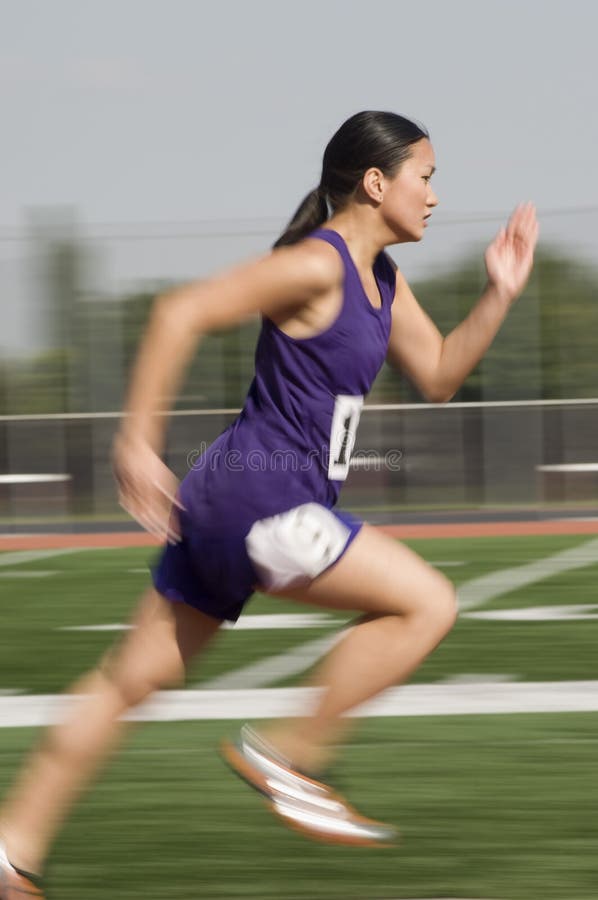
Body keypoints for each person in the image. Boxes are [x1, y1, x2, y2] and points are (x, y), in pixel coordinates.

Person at [0, 110, 538, 895]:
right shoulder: (318, 265)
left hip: (237, 499)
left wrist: (499, 293)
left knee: (127, 681)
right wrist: (134, 443)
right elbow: (178, 311)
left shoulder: (382, 280)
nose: (433, 196)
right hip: (263, 495)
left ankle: (11, 852)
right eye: (426, 177)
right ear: (376, 181)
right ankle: (291, 754)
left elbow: (441, 375)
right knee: (427, 602)